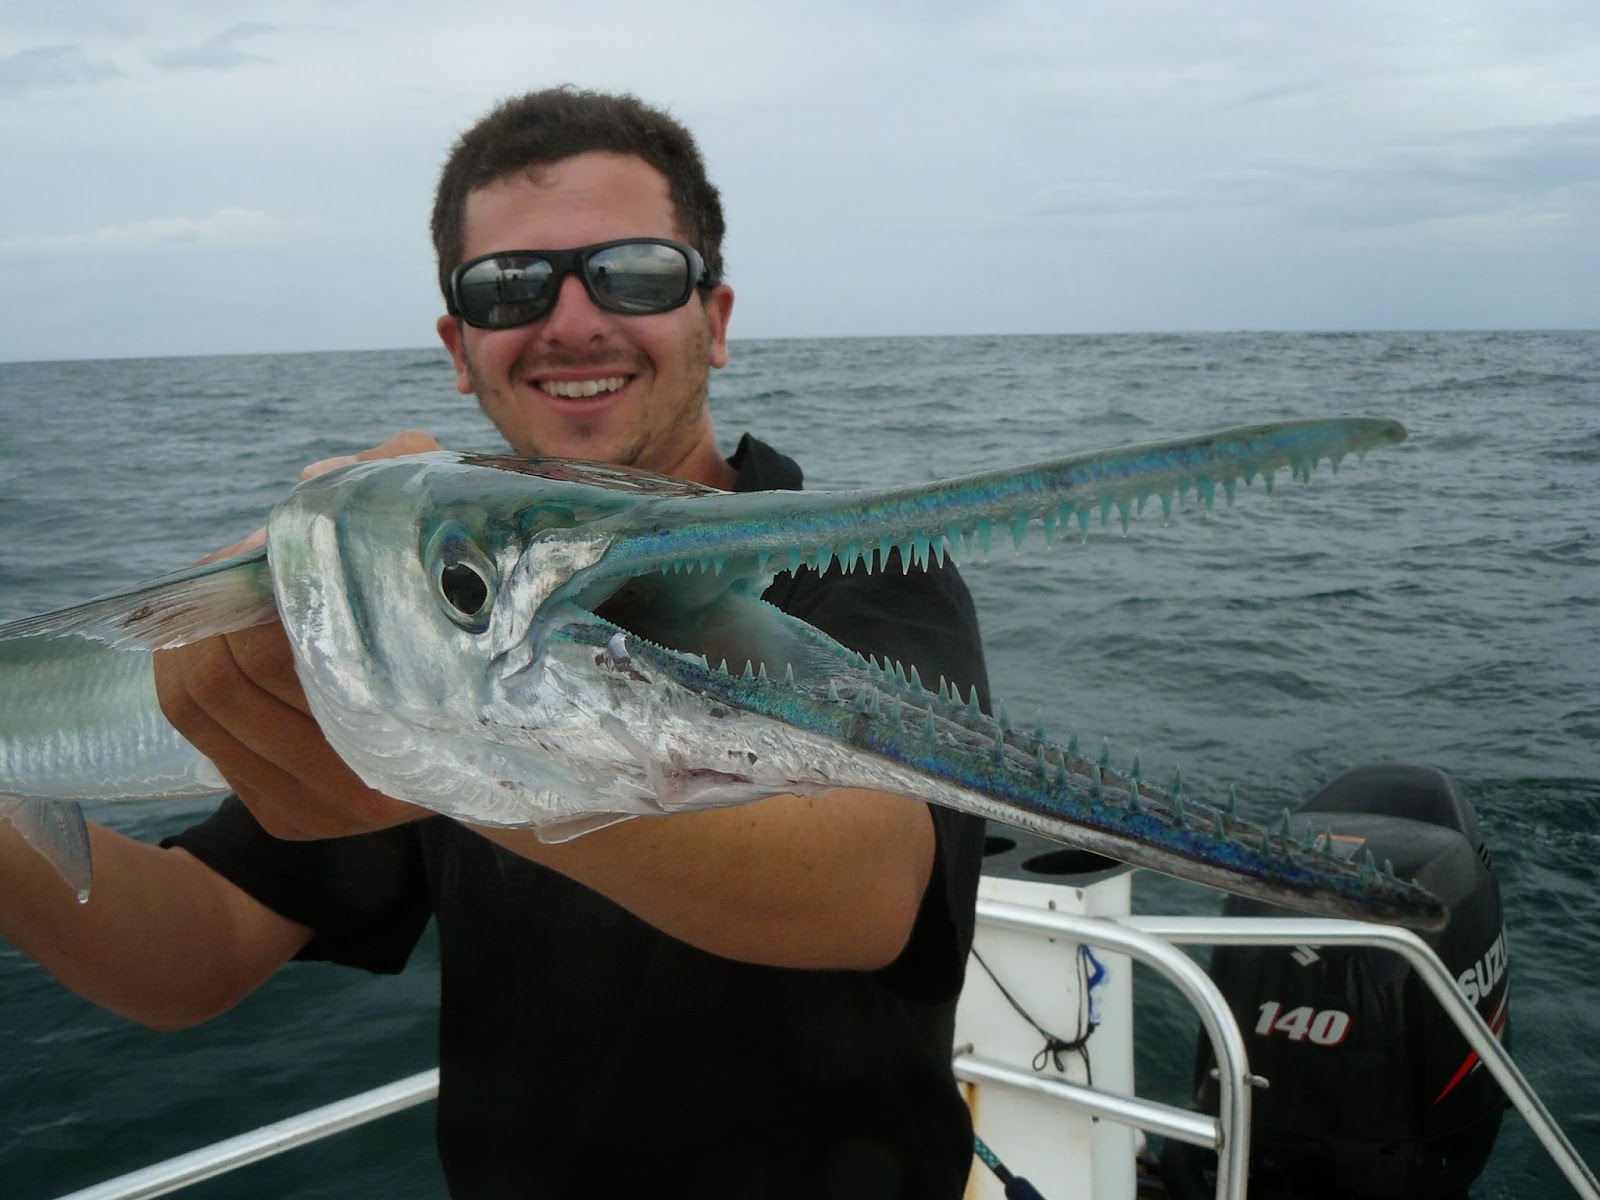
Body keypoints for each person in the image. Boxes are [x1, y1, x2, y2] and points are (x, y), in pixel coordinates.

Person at [0, 88, 990, 1199]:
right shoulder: (393, 621)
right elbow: (194, 952)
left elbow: (864, 890)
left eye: (636, 274)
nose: (572, 322)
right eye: (510, 287)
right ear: (457, 347)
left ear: (712, 318)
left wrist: (438, 731)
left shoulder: (857, 568)